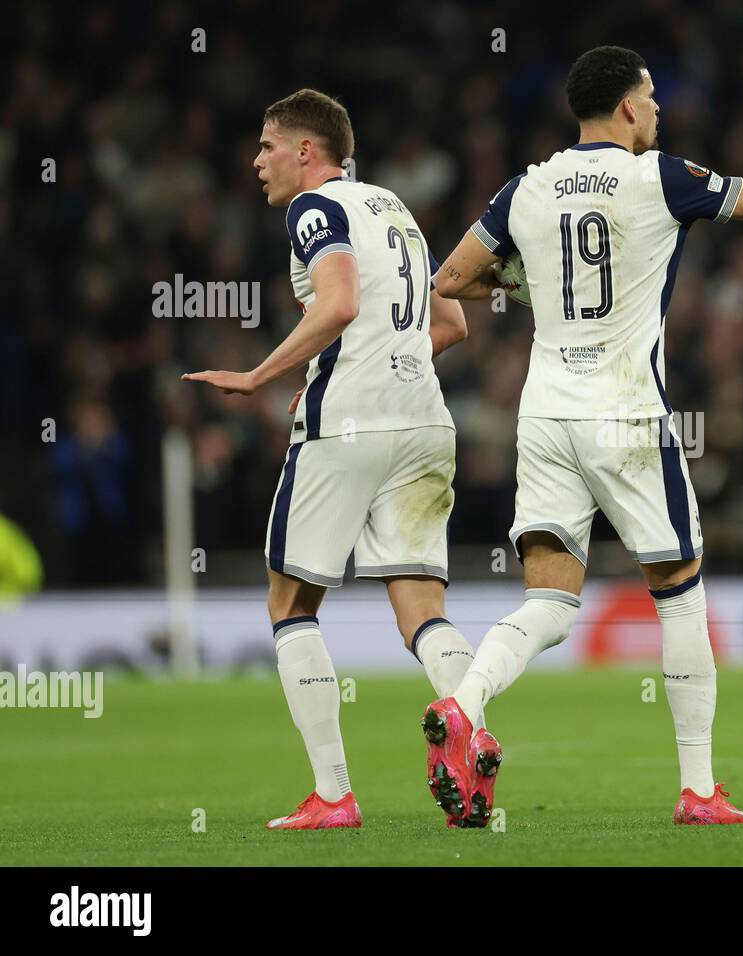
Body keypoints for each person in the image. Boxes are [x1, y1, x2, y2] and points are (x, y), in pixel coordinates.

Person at [431, 46, 743, 826]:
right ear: (629, 108)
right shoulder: (658, 175)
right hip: (627, 410)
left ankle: (464, 704)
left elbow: (451, 280)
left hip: (545, 412)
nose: (660, 109)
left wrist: (529, 280)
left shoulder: (525, 185)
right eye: (653, 97)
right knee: (678, 588)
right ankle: (698, 788)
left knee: (550, 601)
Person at [183, 89, 488, 829]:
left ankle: (333, 795)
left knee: (291, 604)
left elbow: (341, 303)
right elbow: (450, 320)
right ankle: (468, 732)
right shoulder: (394, 208)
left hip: (348, 427)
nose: (257, 161)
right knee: (422, 609)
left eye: (266, 145)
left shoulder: (312, 210)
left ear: (307, 152)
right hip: (425, 423)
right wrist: (373, 363)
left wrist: (263, 376)